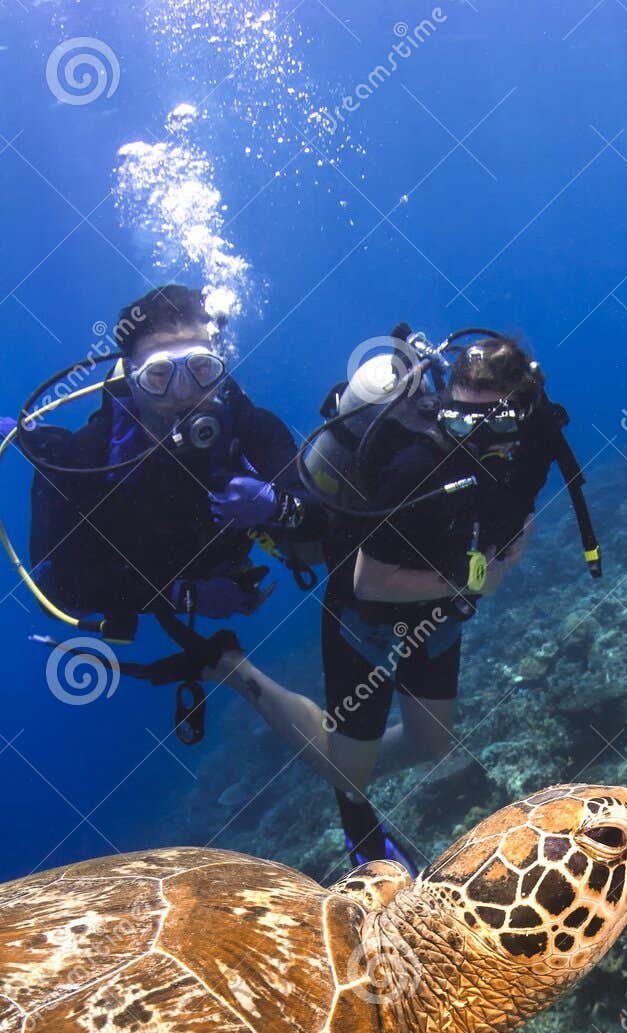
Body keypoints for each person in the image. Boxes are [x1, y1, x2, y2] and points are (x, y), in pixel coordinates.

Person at [211, 335, 566, 869]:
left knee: (430, 746)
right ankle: (232, 667)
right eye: (460, 420)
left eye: (493, 422)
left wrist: (508, 548)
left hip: (440, 612)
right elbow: (367, 580)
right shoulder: (417, 462)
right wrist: (473, 580)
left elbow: (521, 505)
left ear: (522, 411)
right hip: (366, 618)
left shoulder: (532, 440)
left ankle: (350, 767)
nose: (474, 437)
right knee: (348, 770)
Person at [13, 282, 320, 663]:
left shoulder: (251, 428)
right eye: (159, 375)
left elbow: (323, 515)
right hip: (146, 572)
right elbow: (63, 587)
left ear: (218, 366)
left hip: (217, 558)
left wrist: (279, 507)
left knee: (321, 543)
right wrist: (181, 595)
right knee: (52, 468)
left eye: (200, 368)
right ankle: (31, 438)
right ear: (131, 378)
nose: (183, 393)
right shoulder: (91, 457)